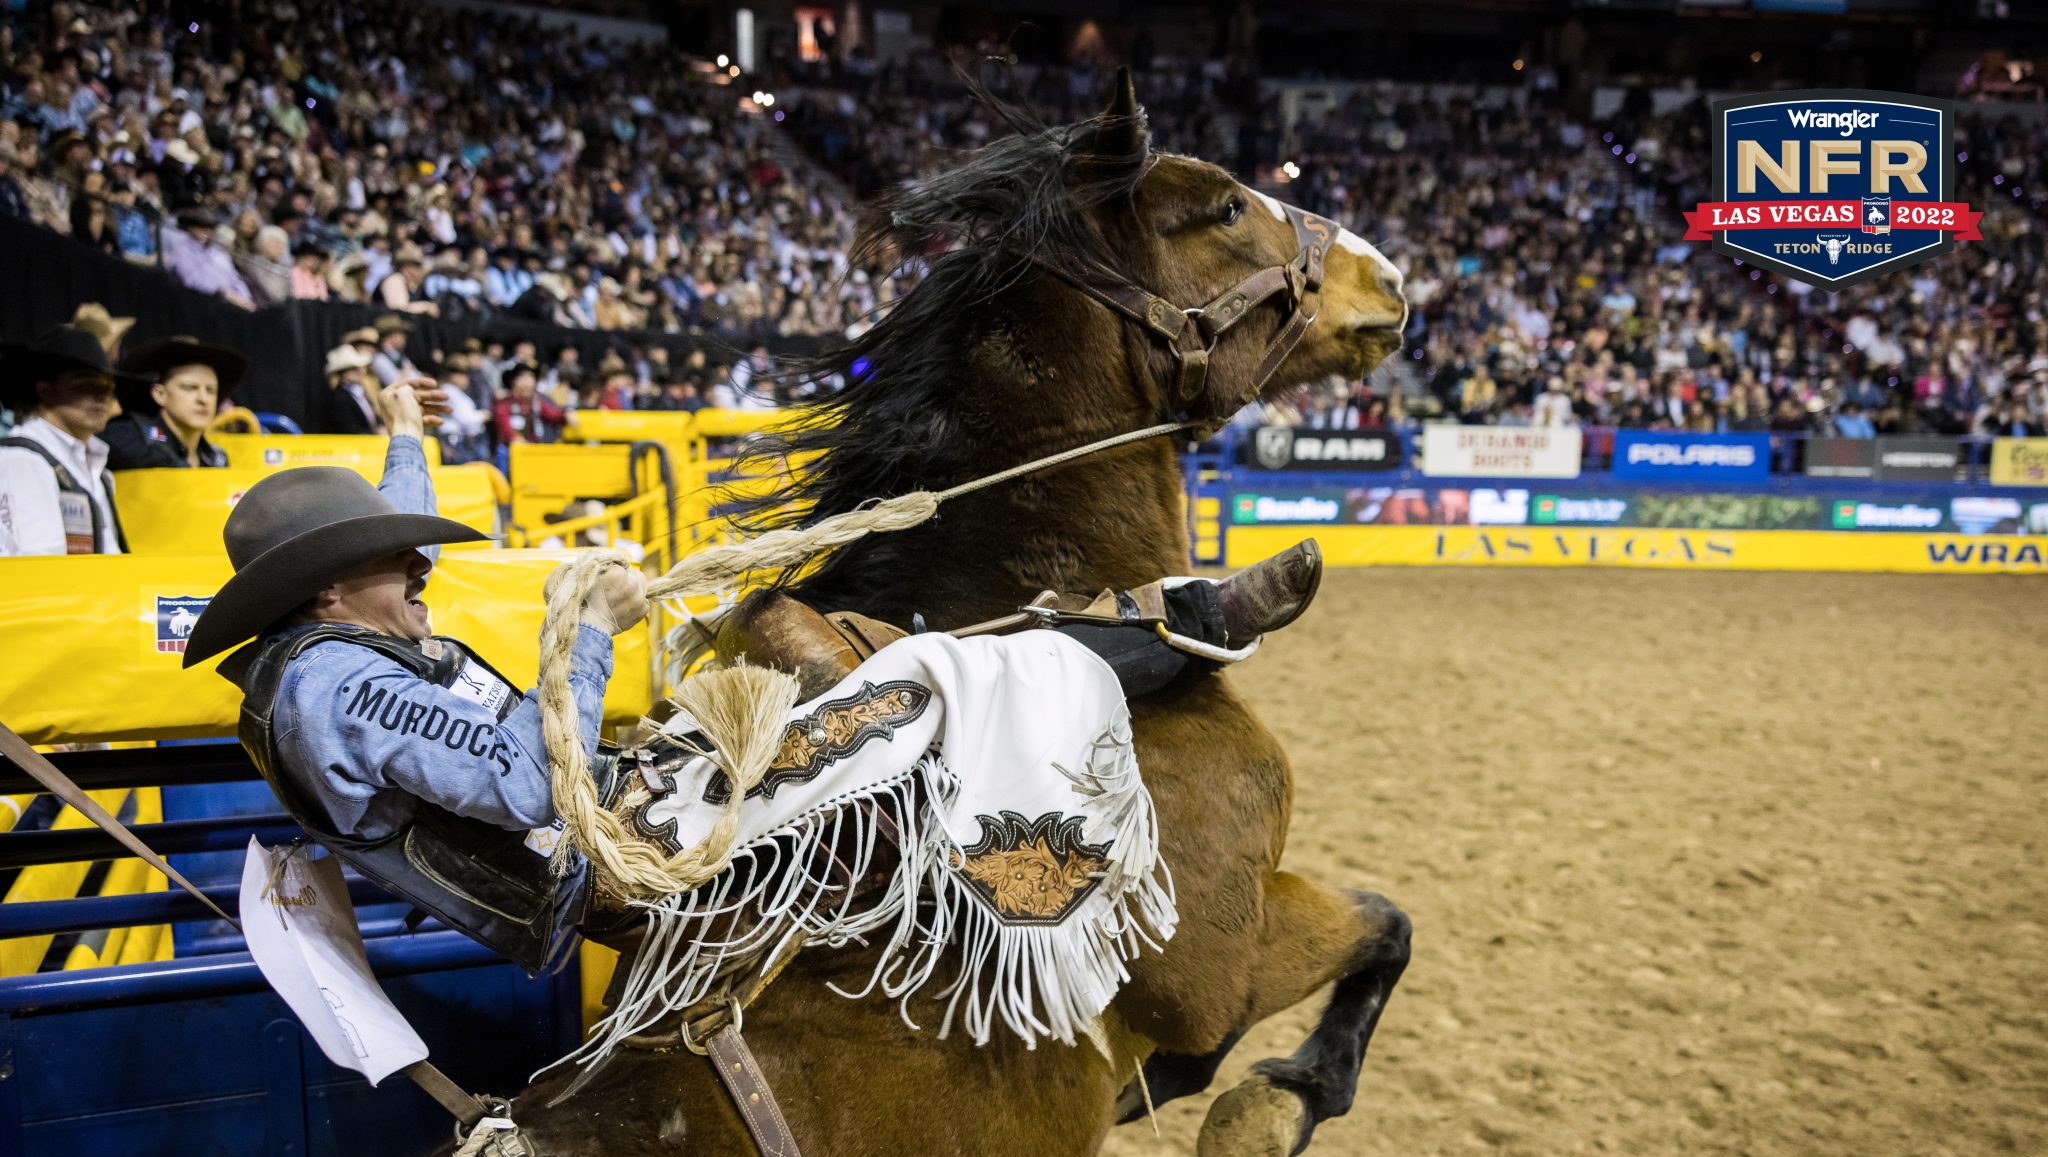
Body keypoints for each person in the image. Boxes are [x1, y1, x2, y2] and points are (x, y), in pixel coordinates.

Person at [178, 375, 1323, 969]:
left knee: (825, 644)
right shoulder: (337, 685)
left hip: (616, 825)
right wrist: (590, 634)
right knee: (910, 685)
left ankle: (1147, 627)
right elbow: (530, 785)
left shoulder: (326, 660)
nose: (421, 569)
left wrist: (401, 431)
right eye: (393, 558)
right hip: (613, 853)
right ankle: (1181, 624)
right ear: (326, 589)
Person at [0, 325, 133, 555]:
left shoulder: (95, 466)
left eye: (109, 387)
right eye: (88, 384)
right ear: (46, 390)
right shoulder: (22, 459)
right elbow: (40, 564)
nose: (103, 396)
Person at [102, 335, 247, 469]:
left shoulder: (217, 459)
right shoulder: (127, 440)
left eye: (211, 391)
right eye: (190, 388)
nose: (203, 399)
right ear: (160, 394)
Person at [492, 361, 568, 446]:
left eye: (531, 378)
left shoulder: (536, 402)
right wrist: (514, 438)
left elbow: (553, 415)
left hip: (531, 451)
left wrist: (566, 415)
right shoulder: (504, 403)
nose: (529, 383)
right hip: (509, 451)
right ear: (513, 382)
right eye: (524, 378)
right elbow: (505, 427)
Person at [321, 344, 382, 435]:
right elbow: (348, 428)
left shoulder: (361, 393)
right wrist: (374, 434)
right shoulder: (339, 398)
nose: (362, 372)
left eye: (361, 368)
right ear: (345, 374)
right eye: (356, 369)